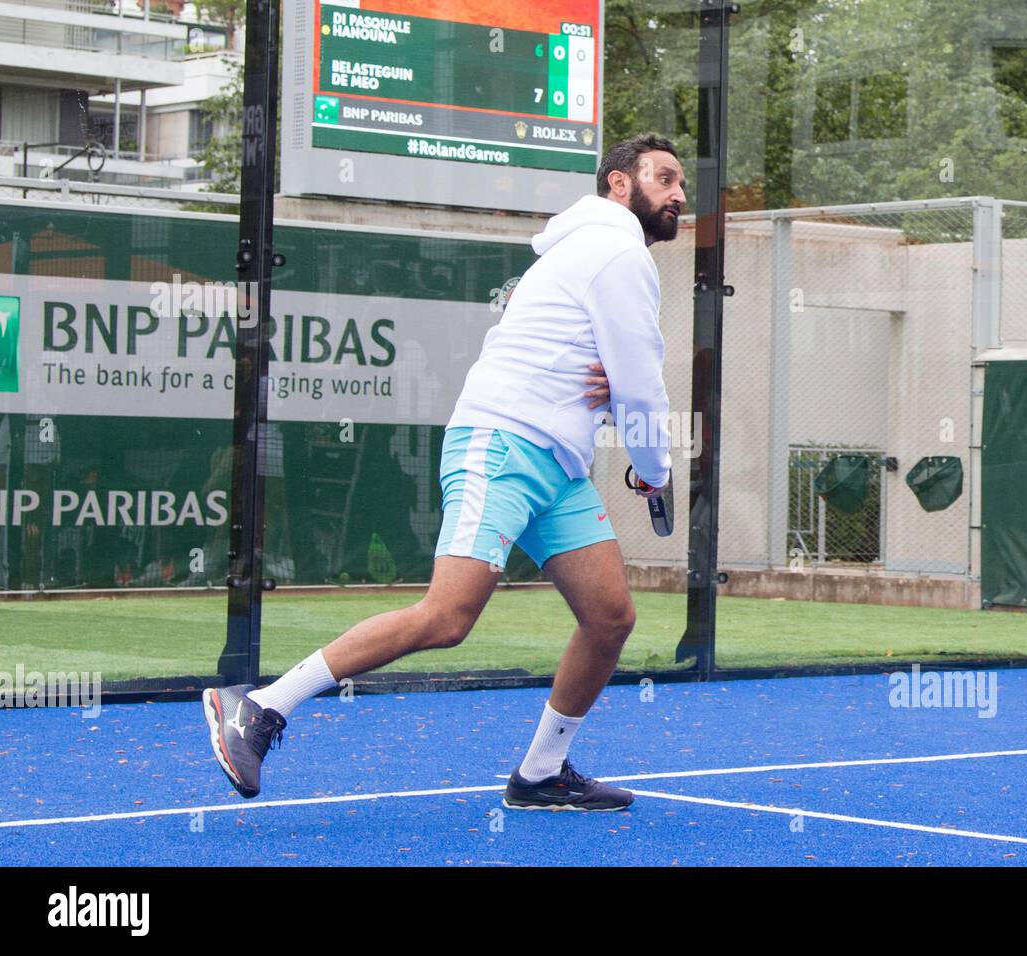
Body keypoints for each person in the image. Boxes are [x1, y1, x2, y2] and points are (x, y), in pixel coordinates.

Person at [203, 133, 686, 812]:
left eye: (682, 186)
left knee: (609, 617)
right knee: (448, 615)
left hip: (558, 463)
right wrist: (655, 468)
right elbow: (638, 379)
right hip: (503, 443)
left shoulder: (596, 250)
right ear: (617, 184)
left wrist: (625, 413)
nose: (678, 196)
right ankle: (259, 707)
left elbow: (615, 373)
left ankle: (541, 773)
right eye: (664, 179)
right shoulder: (615, 248)